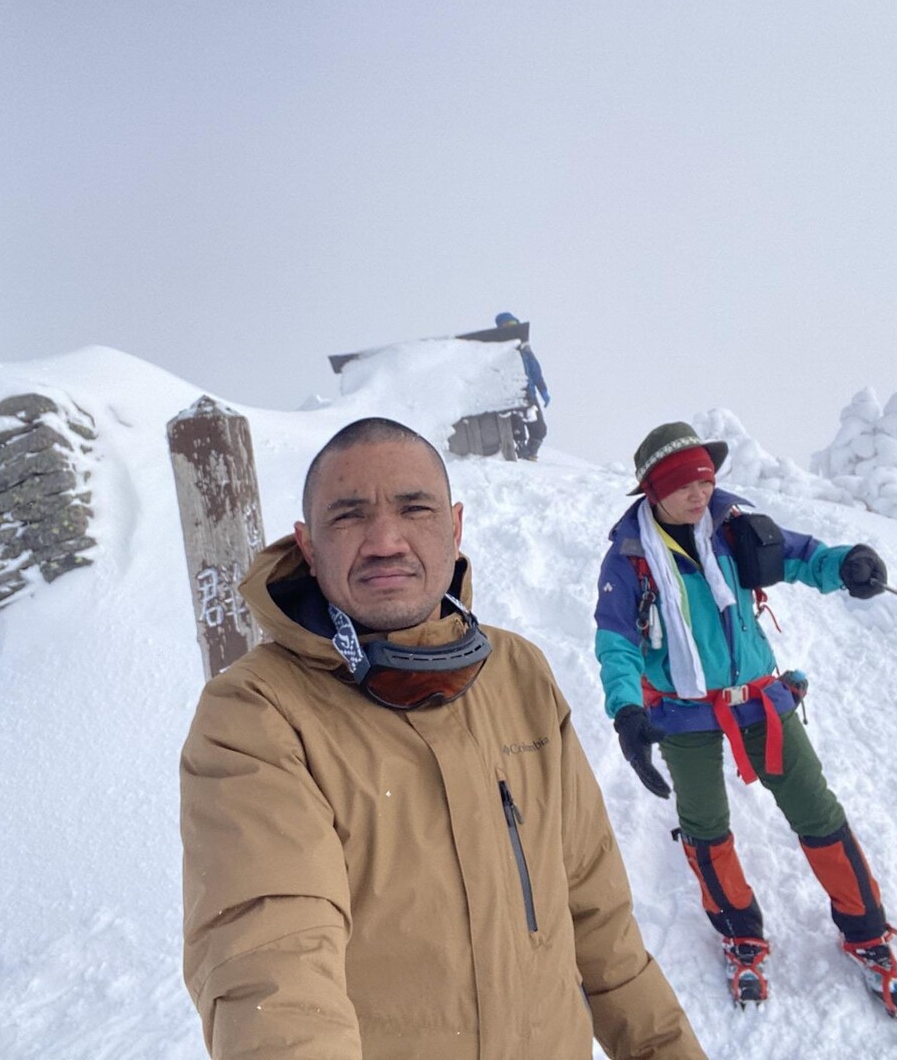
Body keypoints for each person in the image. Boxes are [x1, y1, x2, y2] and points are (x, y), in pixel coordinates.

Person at [180, 417, 706, 1060]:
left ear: (454, 528)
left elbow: (600, 926)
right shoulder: (257, 714)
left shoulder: (518, 674)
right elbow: (274, 970)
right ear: (309, 547)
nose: (384, 540)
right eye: (347, 517)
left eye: (414, 508)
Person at [593, 421, 897, 1019]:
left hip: (758, 700)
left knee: (816, 810)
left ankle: (867, 931)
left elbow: (798, 556)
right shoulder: (630, 558)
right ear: (654, 491)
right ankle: (740, 933)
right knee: (705, 825)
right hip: (683, 712)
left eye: (706, 479)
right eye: (686, 483)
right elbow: (615, 640)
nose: (702, 492)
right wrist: (627, 712)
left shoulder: (732, 526)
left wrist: (845, 564)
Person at [495, 311, 550, 460]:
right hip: (512, 395)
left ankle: (531, 453)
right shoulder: (498, 350)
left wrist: (543, 390)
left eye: (513, 324)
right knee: (517, 429)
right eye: (506, 325)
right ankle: (520, 452)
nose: (510, 328)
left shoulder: (525, 349)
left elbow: (535, 371)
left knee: (539, 430)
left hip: (529, 394)